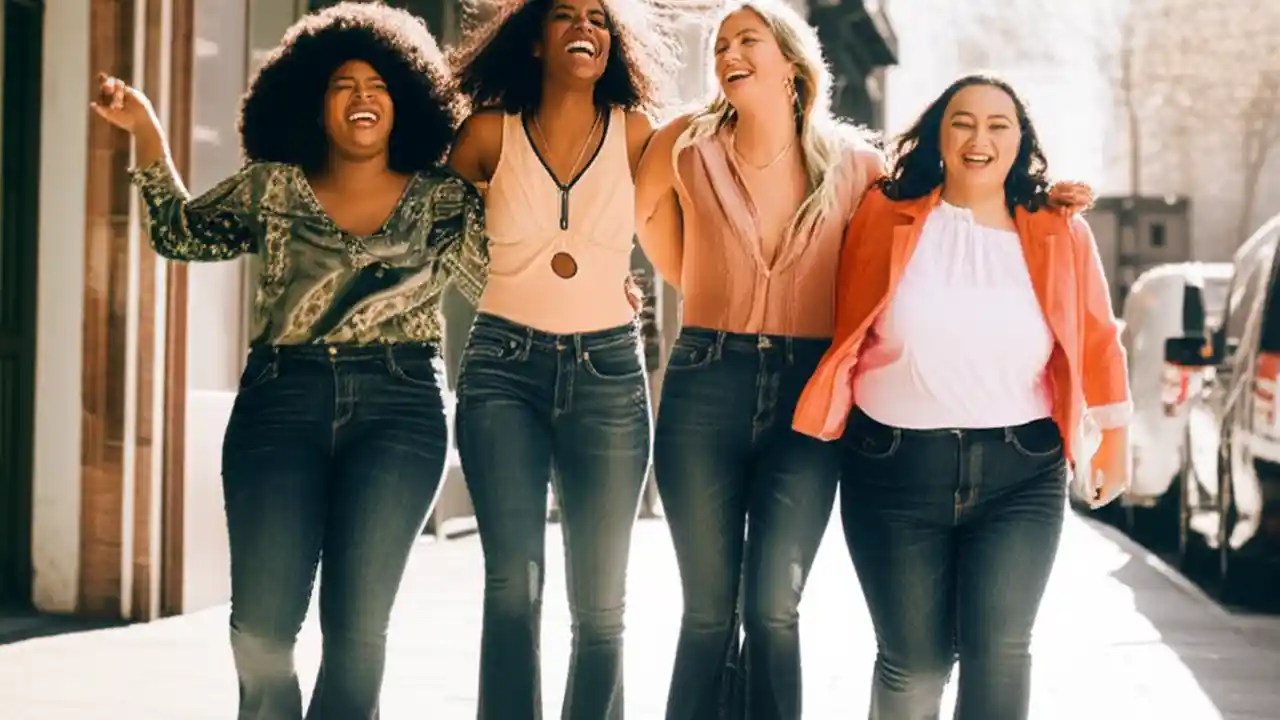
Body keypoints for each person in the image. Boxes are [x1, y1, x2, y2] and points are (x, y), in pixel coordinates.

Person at [90, 4, 486, 718]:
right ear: (313, 99)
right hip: (281, 403)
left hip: (401, 410)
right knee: (263, 634)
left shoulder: (445, 201)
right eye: (343, 82)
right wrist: (146, 131)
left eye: (379, 83)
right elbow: (183, 235)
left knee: (358, 635)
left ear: (407, 98)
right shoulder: (273, 188)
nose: (362, 95)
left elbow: (503, 284)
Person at [792, 73, 1130, 720]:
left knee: (999, 654)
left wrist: (1112, 435)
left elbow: (1095, 336)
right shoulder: (879, 213)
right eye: (963, 122)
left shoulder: (1060, 231)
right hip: (892, 473)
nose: (980, 137)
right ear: (938, 137)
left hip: (1019, 476)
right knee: (912, 664)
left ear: (1020, 140)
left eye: (998, 125)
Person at [634, 2, 883, 717]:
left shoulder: (859, 165)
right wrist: (701, 282)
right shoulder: (686, 144)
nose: (727, 53)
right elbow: (642, 214)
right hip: (705, 384)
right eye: (720, 45)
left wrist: (1041, 199)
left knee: (774, 607)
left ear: (791, 63)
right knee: (709, 613)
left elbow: (937, 217)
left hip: (810, 397)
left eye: (748, 40)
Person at [446, 0, 677, 716]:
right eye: (566, 16)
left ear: (615, 44)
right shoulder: (488, 134)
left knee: (601, 606)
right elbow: (427, 232)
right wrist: (500, 276)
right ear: (536, 42)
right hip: (501, 369)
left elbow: (680, 240)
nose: (585, 28)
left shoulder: (641, 136)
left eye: (599, 19)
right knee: (513, 589)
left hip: (608, 372)